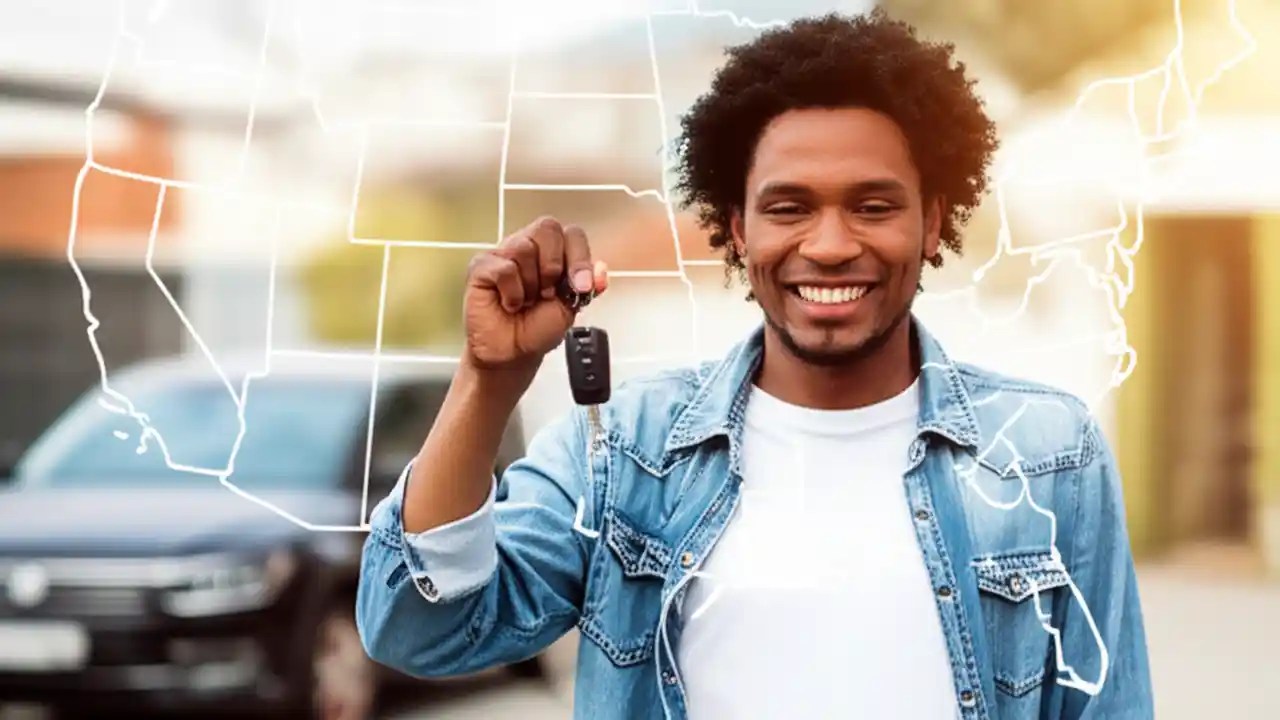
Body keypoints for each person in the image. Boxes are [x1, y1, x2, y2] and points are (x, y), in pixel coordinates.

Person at [355, 10, 1153, 720]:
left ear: (932, 219)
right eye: (789, 207)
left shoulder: (1049, 450)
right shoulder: (624, 449)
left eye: (874, 205)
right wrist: (487, 382)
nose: (832, 244)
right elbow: (419, 628)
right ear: (735, 228)